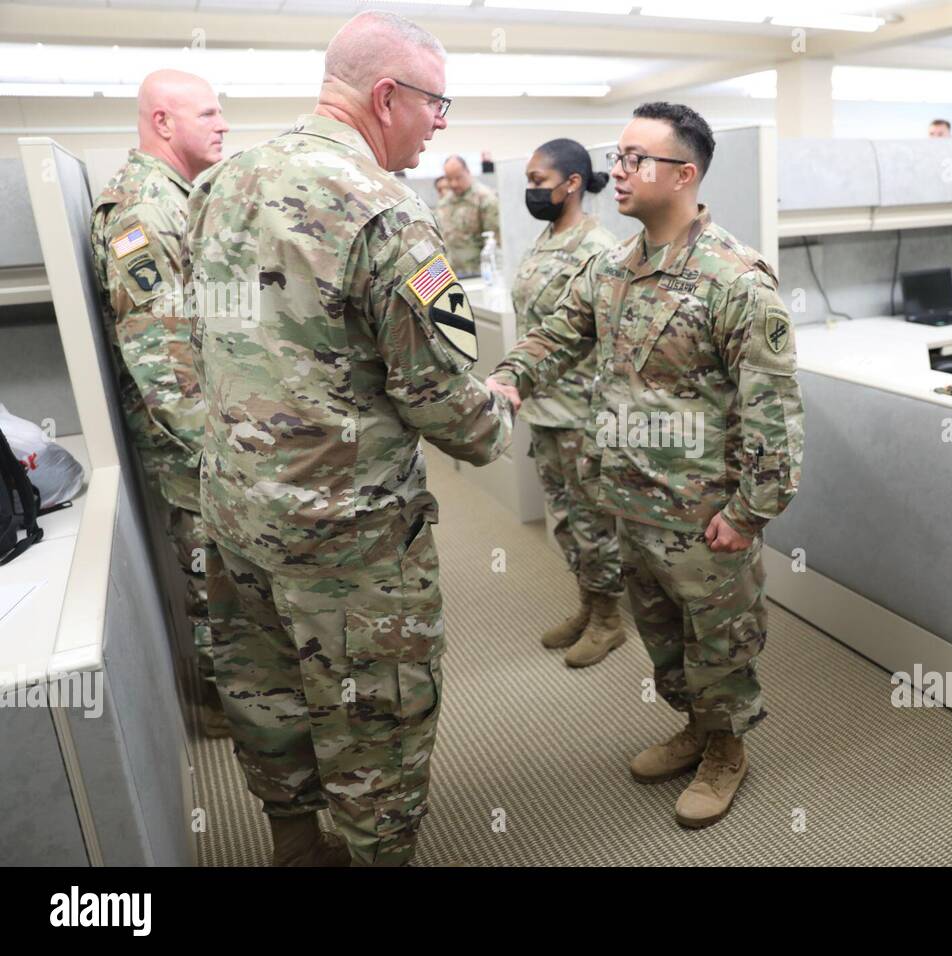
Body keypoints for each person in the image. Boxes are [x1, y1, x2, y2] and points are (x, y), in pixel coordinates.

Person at [187, 10, 514, 866]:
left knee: (267, 696)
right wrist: (504, 403)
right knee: (377, 719)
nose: (440, 126)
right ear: (386, 96)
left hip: (234, 512)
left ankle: (294, 846)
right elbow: (447, 405)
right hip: (351, 539)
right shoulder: (389, 216)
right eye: (437, 106)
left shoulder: (220, 182)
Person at [488, 103, 804, 829]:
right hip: (628, 499)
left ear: (684, 175)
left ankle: (727, 749)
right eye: (619, 157)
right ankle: (694, 725)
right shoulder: (611, 269)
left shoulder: (735, 279)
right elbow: (555, 337)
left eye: (636, 159)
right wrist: (509, 379)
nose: (618, 172)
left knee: (719, 641)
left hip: (705, 515)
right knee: (663, 639)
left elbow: (774, 413)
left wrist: (749, 512)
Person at [90, 69, 230, 738]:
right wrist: (222, 453)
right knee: (213, 580)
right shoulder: (143, 211)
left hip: (208, 435)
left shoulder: (178, 198)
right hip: (190, 446)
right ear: (164, 123)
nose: (222, 124)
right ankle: (223, 706)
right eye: (208, 113)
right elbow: (160, 362)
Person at [511, 138, 624, 666]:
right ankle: (588, 602)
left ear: (572, 182)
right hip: (544, 409)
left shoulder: (599, 247)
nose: (532, 190)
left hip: (582, 412)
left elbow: (610, 337)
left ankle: (608, 620)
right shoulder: (545, 239)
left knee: (592, 522)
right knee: (563, 518)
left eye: (539, 181)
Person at [437, 154, 500, 275]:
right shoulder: (444, 202)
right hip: (452, 273)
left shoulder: (486, 199)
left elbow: (495, 244)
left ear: (468, 172)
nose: (454, 184)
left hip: (478, 273)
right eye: (449, 179)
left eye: (458, 178)